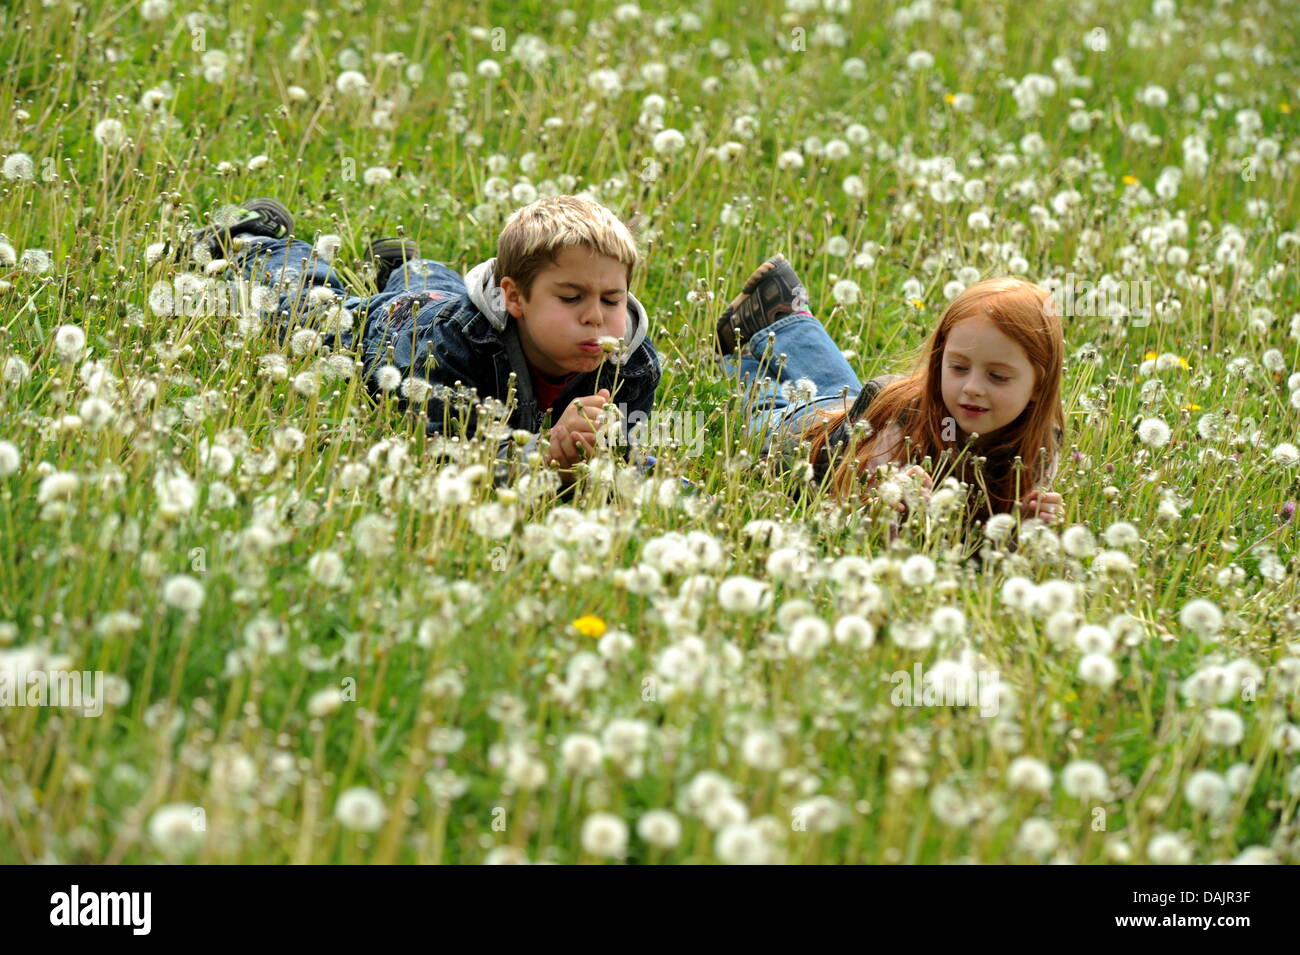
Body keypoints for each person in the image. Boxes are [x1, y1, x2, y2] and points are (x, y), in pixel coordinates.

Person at [187, 195, 661, 484]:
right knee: (313, 308)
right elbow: (446, 454)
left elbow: (623, 461)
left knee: (432, 290)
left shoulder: (633, 366)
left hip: (440, 301)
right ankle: (248, 241)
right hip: (402, 329)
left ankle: (405, 267)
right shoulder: (449, 343)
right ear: (514, 298)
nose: (596, 317)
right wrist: (545, 455)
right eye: (572, 297)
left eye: (613, 299)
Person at [716, 255, 1065, 528]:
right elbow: (846, 518)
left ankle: (784, 312)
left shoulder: (1042, 445)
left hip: (856, 411)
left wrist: (1028, 526)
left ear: (1039, 384)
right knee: (770, 402)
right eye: (958, 368)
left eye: (998, 377)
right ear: (939, 359)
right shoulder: (902, 424)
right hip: (803, 438)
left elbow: (993, 542)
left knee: (841, 391)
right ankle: (738, 354)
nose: (972, 388)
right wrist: (884, 502)